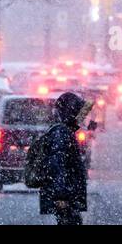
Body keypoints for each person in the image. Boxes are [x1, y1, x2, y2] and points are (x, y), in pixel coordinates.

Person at [37, 91, 90, 226]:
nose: (82, 118)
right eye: (80, 114)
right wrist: (61, 196)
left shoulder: (65, 131)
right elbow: (57, 165)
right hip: (66, 197)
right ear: (71, 113)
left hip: (69, 196)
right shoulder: (61, 133)